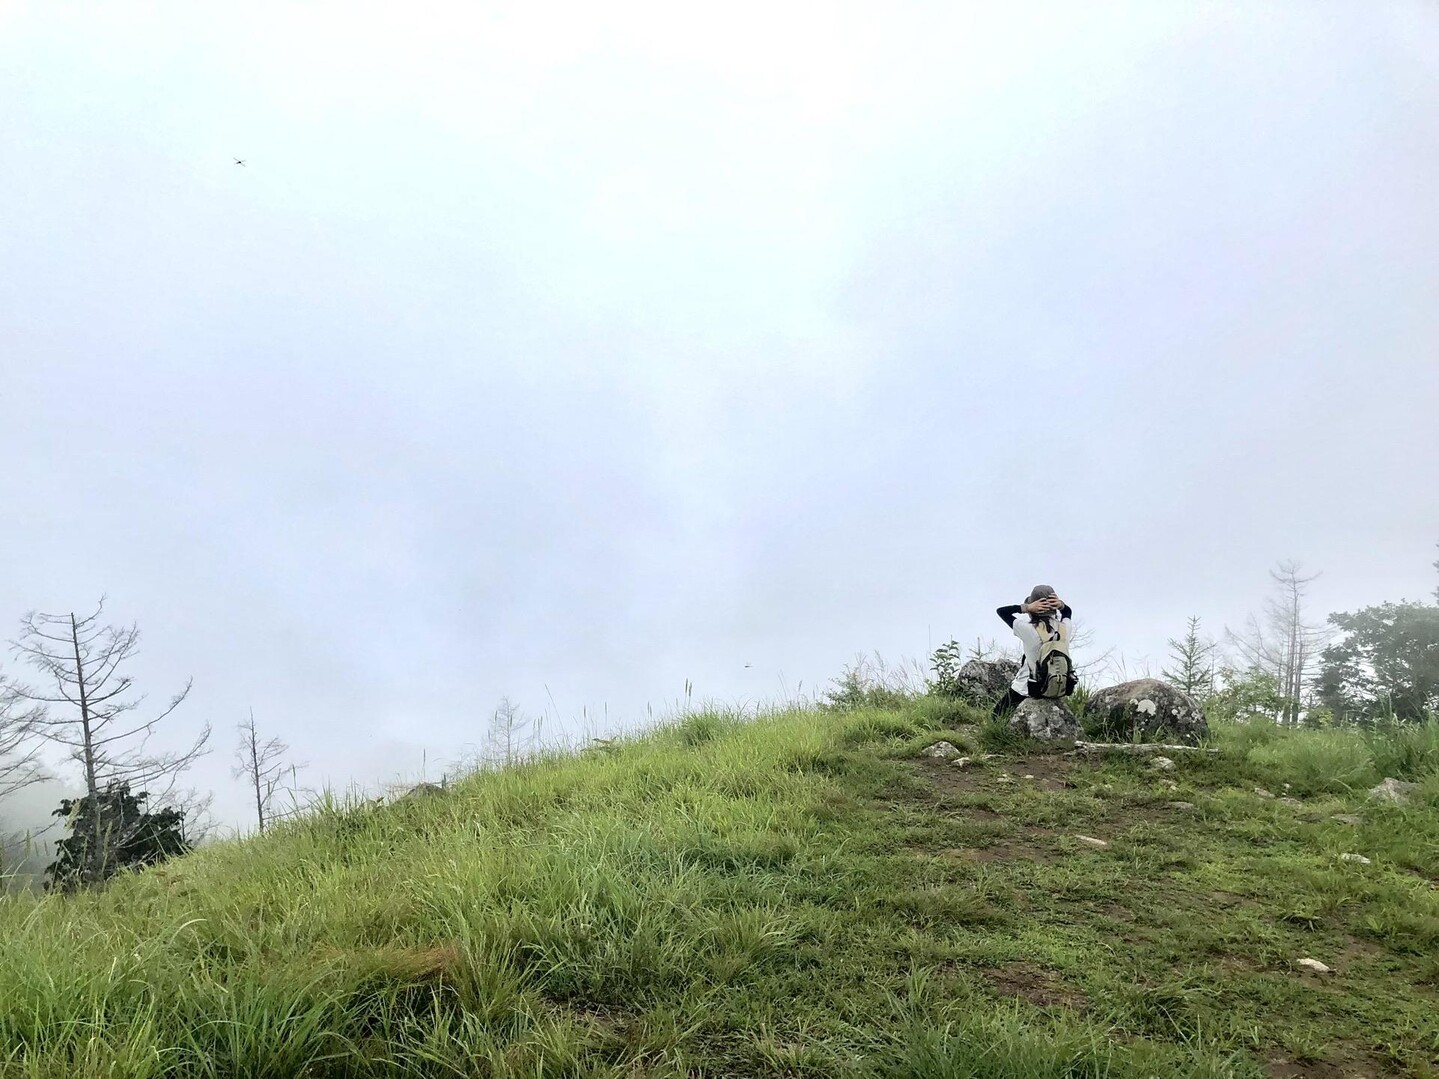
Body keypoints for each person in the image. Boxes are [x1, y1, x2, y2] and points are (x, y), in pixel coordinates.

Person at [992, 585, 1074, 717]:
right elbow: (1067, 612)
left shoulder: (1029, 630)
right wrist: (1061, 605)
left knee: (996, 716)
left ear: (1035, 606)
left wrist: (1026, 608)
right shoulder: (1065, 628)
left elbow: (1001, 611)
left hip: (1028, 688)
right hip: (1057, 686)